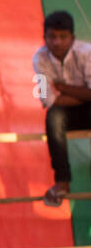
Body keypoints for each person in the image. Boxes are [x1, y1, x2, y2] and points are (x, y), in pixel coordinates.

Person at [33, 11, 91, 207]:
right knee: (53, 117)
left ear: (72, 38)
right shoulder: (39, 59)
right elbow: (46, 100)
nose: (57, 42)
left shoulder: (87, 52)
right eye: (52, 36)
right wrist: (82, 94)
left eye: (63, 37)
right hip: (67, 113)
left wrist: (63, 88)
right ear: (45, 38)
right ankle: (62, 181)